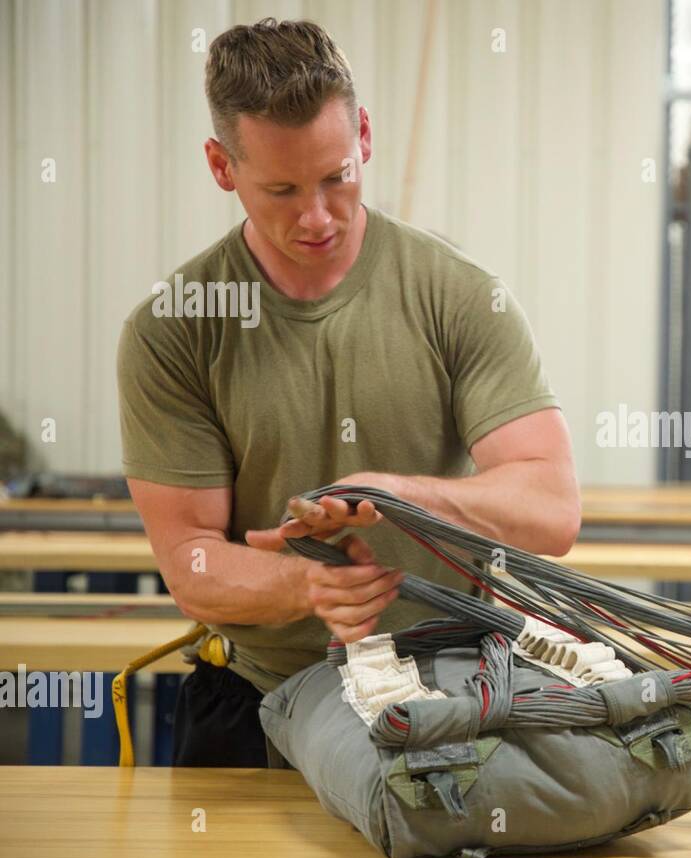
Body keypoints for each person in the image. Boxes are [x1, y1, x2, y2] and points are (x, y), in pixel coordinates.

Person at [116, 19, 580, 768]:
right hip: (256, 701)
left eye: (337, 177)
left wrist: (397, 496)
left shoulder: (459, 296)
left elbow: (552, 509)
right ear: (221, 166)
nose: (317, 216)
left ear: (363, 134)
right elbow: (191, 564)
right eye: (282, 190)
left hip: (445, 694)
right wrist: (307, 585)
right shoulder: (174, 329)